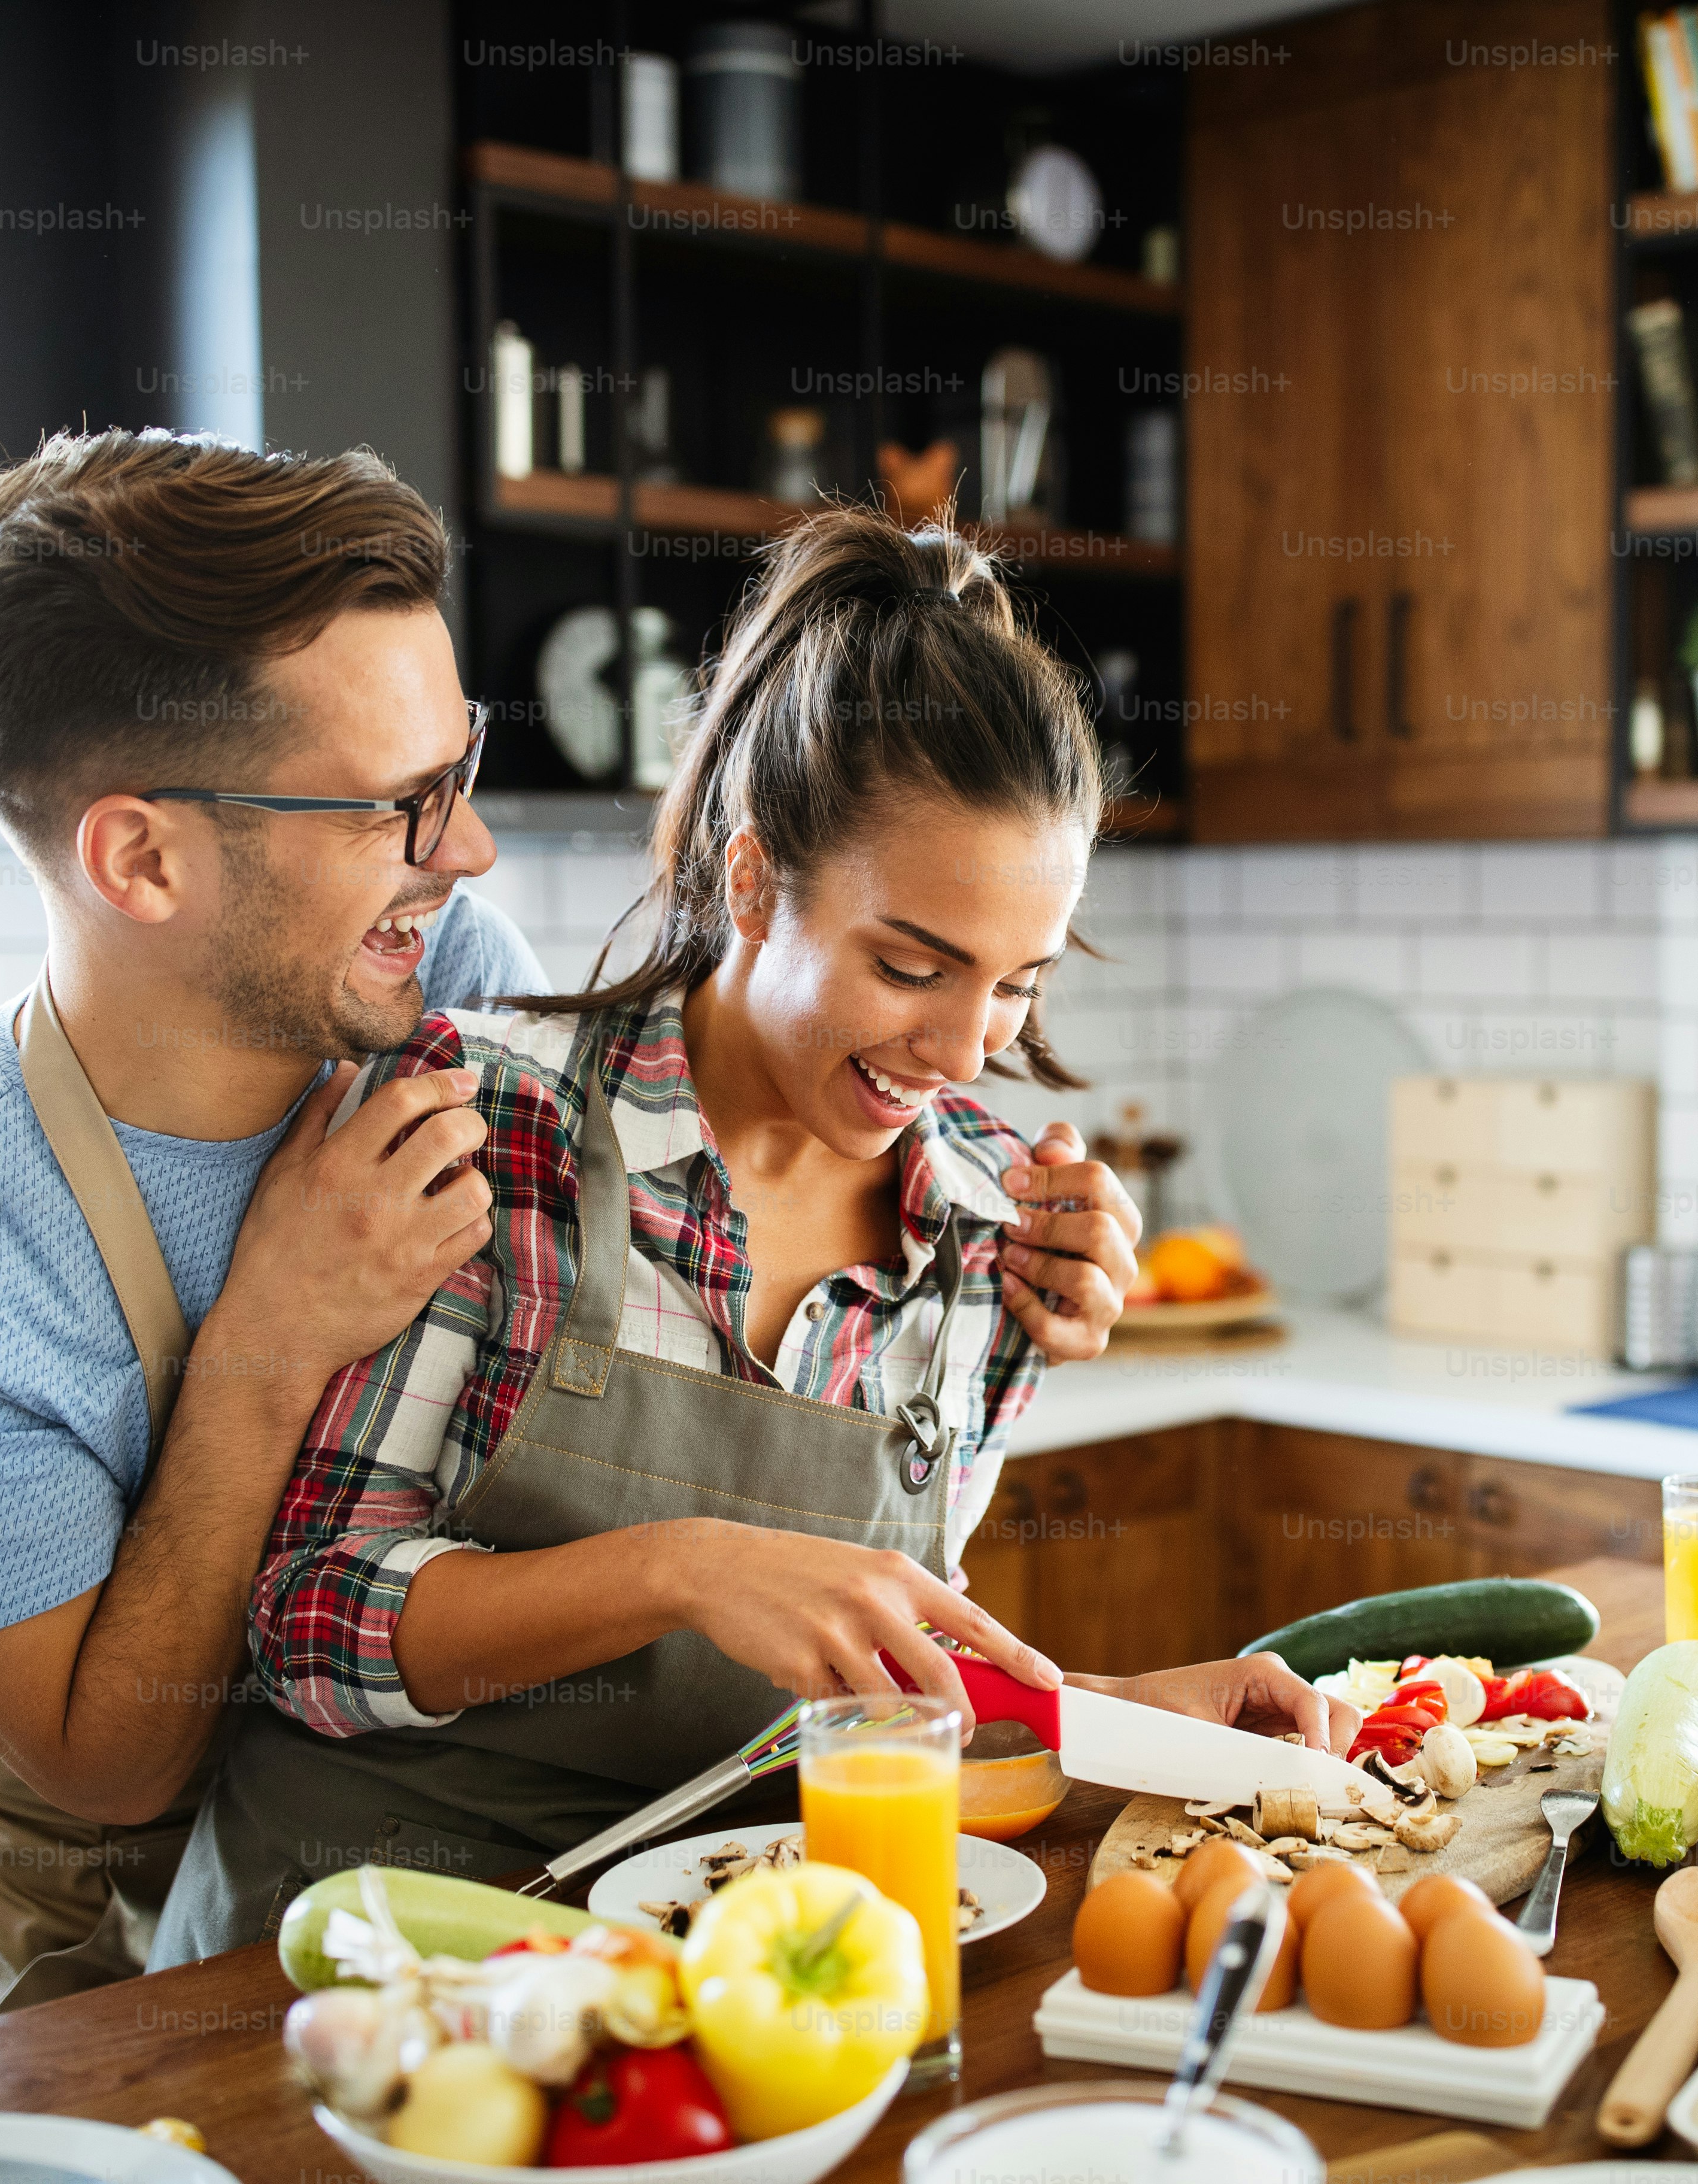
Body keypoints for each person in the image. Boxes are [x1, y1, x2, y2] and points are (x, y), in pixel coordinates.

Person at [153, 511, 1354, 1956]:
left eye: (1019, 987)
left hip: (733, 1959)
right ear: (753, 883)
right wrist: (683, 1566)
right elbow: (306, 1621)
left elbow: (876, 1702)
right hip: (369, 1953)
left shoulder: (985, 1227)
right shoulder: (489, 1124)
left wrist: (1129, 1716)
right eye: (913, 966)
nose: (965, 1051)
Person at [0, 430, 546, 2028]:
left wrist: (988, 1238)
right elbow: (114, 1763)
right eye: (399, 805)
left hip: (464, 1926)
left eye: (461, 773)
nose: (466, 852)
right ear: (141, 857)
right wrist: (268, 1336)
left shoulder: (454, 982)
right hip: (117, 2005)